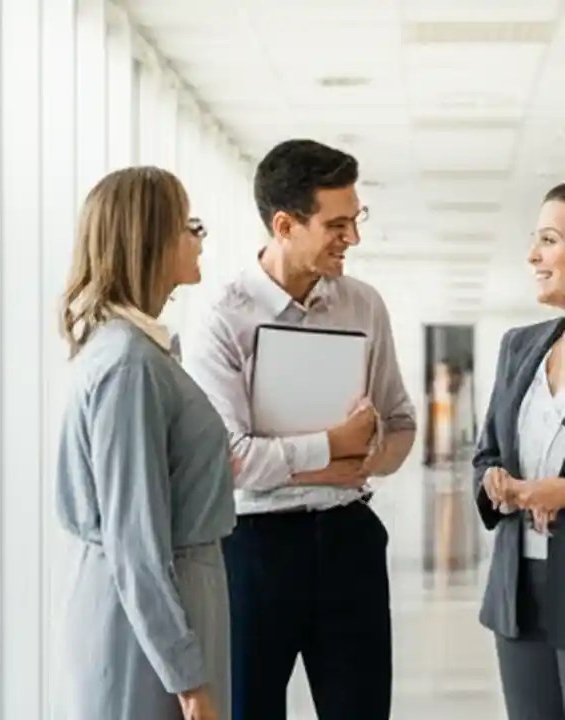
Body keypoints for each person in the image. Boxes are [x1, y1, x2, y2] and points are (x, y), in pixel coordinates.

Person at [181, 139, 416, 720]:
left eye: (356, 220)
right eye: (336, 225)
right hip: (254, 549)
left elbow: (401, 425)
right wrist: (333, 448)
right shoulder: (222, 319)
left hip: (350, 540)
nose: (352, 238)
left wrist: (362, 460)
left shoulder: (364, 306)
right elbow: (231, 460)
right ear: (284, 225)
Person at [55, 166, 236, 720]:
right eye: (188, 226)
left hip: (169, 600)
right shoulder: (130, 365)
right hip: (153, 616)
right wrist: (188, 678)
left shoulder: (138, 353)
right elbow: (135, 541)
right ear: (150, 240)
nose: (198, 239)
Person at [475, 182, 565, 719]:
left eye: (549, 240)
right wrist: (494, 481)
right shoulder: (520, 346)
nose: (532, 255)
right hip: (520, 589)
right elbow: (487, 452)